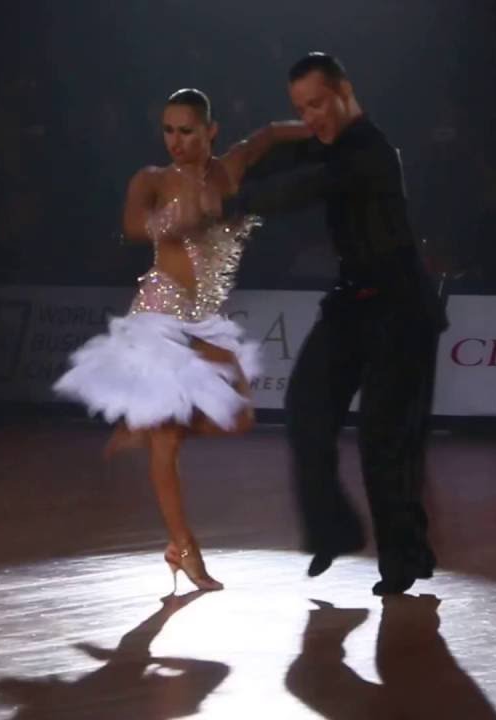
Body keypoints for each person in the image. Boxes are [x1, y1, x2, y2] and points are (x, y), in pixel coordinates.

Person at [54, 89, 311, 593]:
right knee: (166, 447)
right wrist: (171, 219)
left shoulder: (228, 169)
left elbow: (272, 136)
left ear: (210, 131)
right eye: (168, 130)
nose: (176, 140)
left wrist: (332, 128)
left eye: (187, 130)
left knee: (240, 418)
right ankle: (182, 545)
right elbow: (131, 225)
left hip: (204, 321)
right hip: (159, 315)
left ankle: (144, 426)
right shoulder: (152, 179)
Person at [226, 53, 448, 595]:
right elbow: (282, 154)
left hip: (400, 306)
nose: (311, 118)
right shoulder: (324, 143)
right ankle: (335, 528)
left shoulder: (370, 151)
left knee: (384, 436)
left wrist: (233, 201)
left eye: (318, 103)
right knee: (305, 405)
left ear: (345, 90)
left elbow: (304, 186)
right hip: (353, 303)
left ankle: (404, 557)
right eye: (301, 108)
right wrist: (243, 155)